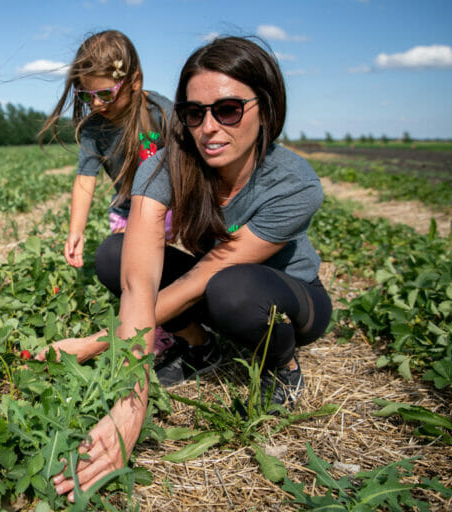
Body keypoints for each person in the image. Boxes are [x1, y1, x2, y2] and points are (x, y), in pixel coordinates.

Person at [38, 37, 332, 502]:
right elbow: (138, 282)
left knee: (232, 291)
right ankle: (201, 347)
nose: (209, 128)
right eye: (194, 113)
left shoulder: (294, 183)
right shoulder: (164, 168)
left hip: (290, 297)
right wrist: (128, 399)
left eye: (228, 110)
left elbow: (205, 276)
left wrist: (98, 344)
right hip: (216, 286)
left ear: (267, 107)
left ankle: (282, 364)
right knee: (114, 255)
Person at [38, 29, 176, 355]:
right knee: (132, 274)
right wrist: (76, 231)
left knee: (168, 270)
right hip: (128, 212)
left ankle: (180, 316)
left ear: (135, 81)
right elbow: (86, 179)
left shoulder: (162, 113)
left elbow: (190, 165)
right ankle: (150, 332)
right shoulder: (94, 128)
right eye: (86, 97)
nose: (97, 104)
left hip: (173, 207)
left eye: (105, 94)